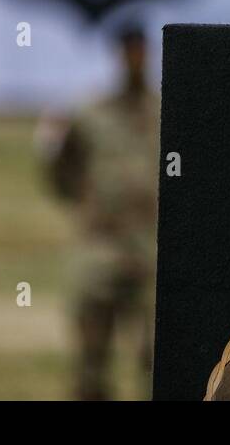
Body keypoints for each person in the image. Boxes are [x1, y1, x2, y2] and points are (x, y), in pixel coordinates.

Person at [38, 27, 159, 400]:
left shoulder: (164, 112)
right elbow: (60, 173)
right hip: (100, 248)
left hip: (153, 250)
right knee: (91, 358)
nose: (134, 58)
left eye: (140, 50)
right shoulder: (90, 114)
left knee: (159, 357)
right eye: (128, 51)